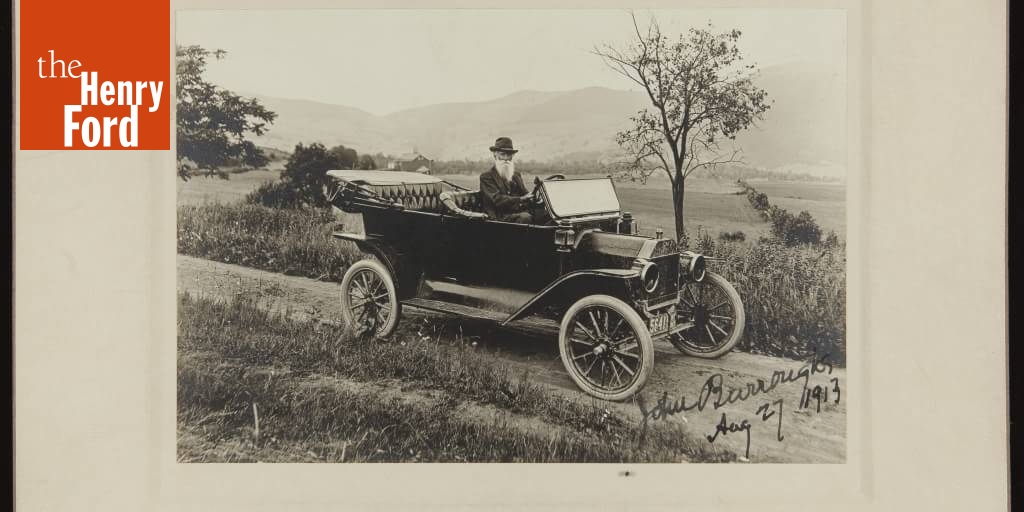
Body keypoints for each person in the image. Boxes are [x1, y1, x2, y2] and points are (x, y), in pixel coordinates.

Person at [479, 137, 549, 224]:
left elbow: (525, 194)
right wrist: (520, 199)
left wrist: (536, 200)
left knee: (548, 214)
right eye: (502, 154)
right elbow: (497, 200)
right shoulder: (486, 177)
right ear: (495, 155)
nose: (506, 158)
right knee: (525, 217)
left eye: (509, 155)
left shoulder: (516, 175)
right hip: (499, 218)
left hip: (518, 213)